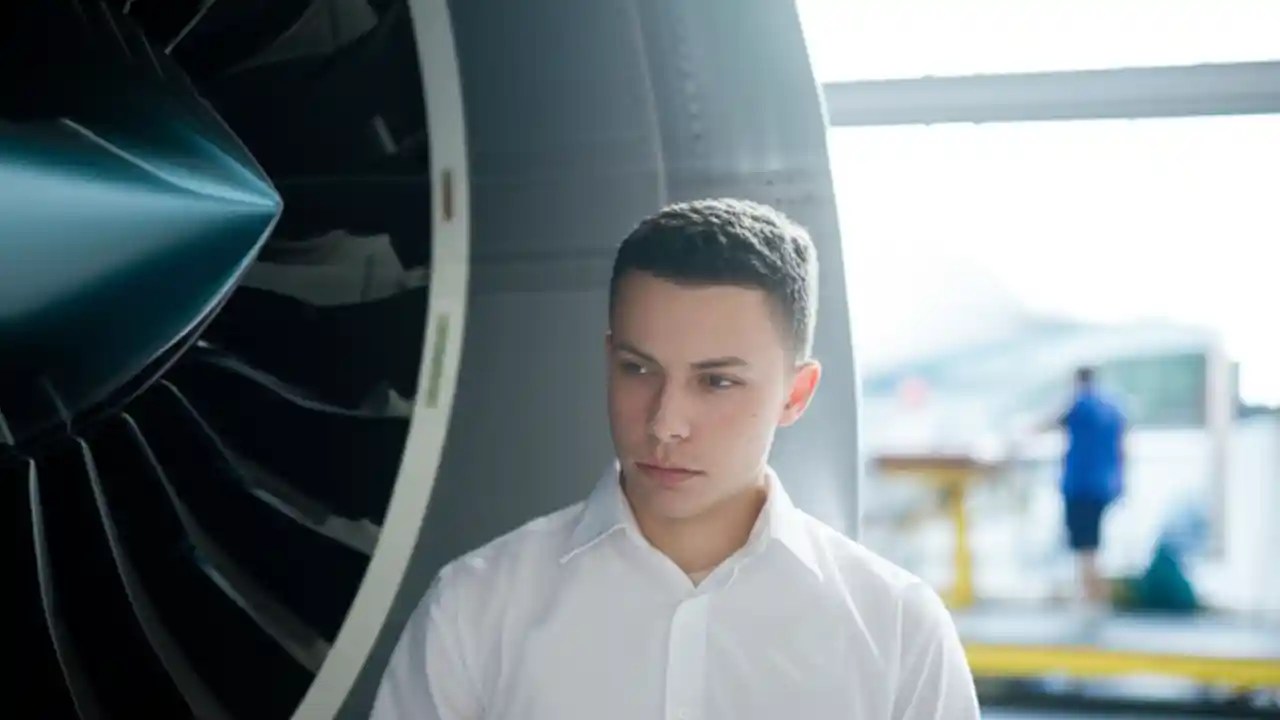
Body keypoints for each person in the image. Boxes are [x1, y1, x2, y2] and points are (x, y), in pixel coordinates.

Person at [370, 198, 980, 719]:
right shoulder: (474, 607)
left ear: (795, 394)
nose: (665, 423)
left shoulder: (898, 630)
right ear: (608, 358)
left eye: (715, 383)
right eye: (638, 370)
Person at [1044, 366, 1128, 606]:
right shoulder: (1112, 408)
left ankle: (1092, 596)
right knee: (1093, 542)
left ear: (1077, 381)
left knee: (1085, 545)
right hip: (1105, 484)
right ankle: (1093, 594)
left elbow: (1048, 422)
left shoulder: (1079, 405)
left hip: (1081, 484)